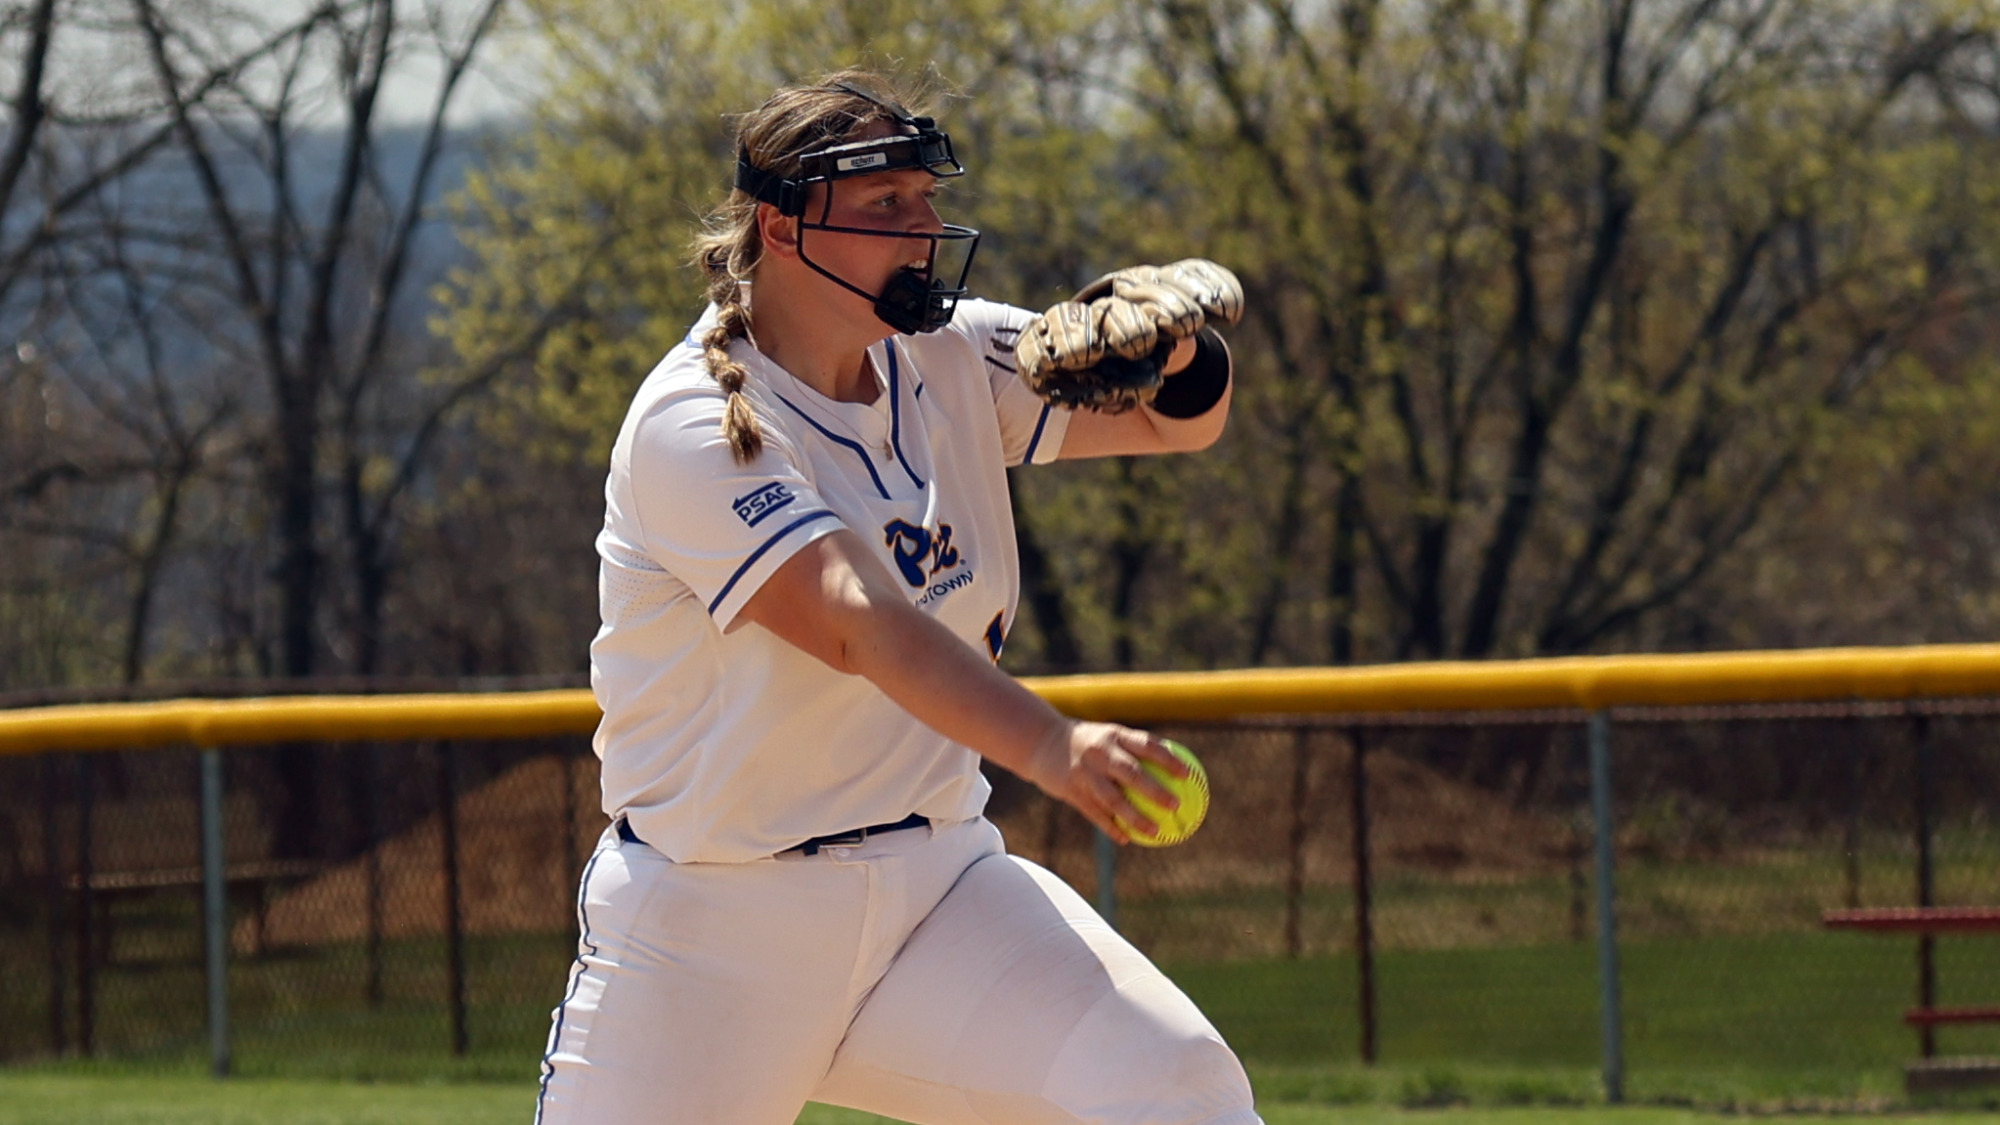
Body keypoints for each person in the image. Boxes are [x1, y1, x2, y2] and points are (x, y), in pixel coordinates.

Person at [535, 68, 1261, 1125]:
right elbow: (853, 623)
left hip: (937, 897)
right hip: (713, 929)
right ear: (782, 231)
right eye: (885, 207)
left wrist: (1181, 355)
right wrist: (1051, 747)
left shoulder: (946, 355)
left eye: (925, 197)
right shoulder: (694, 422)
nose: (924, 227)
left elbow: (1177, 424)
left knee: (1175, 1088)